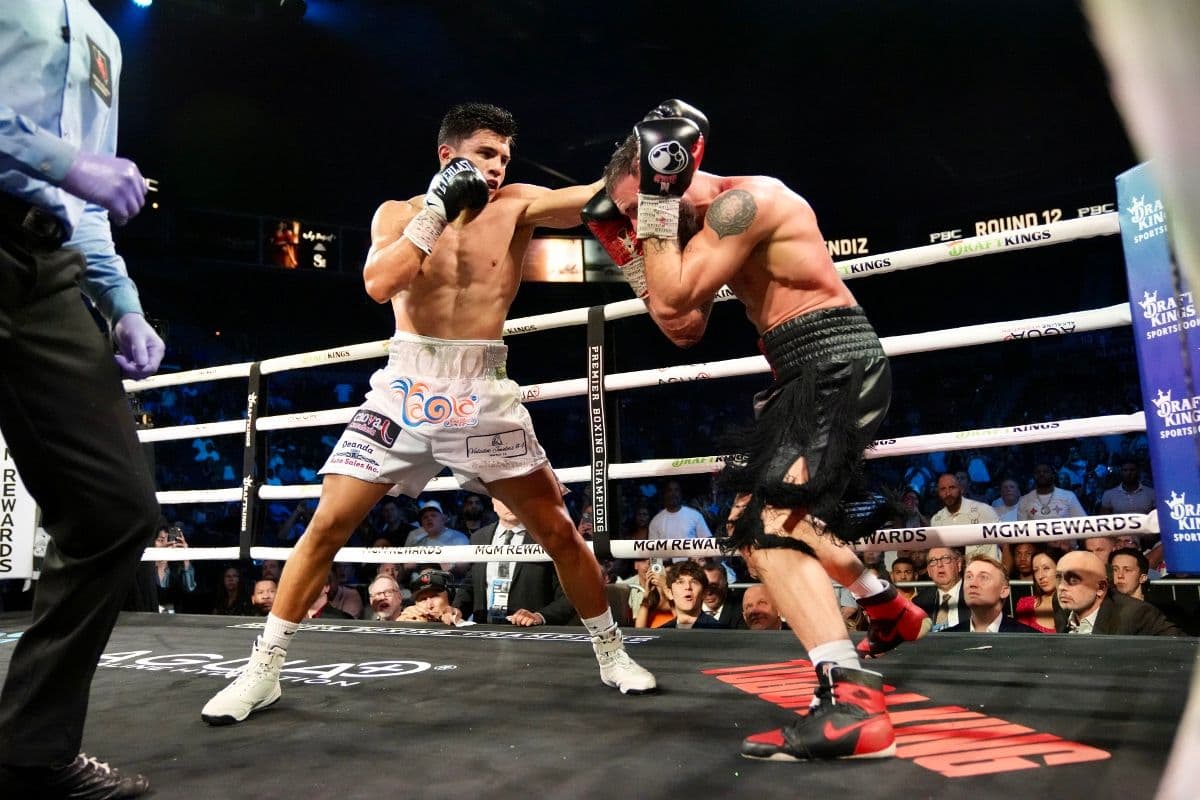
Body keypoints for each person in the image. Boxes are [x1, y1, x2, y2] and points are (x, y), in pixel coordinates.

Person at [202, 102, 656, 728]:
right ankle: (263, 670)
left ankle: (611, 652)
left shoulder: (517, 204)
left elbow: (599, 197)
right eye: (487, 154)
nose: (499, 167)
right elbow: (378, 284)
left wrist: (645, 153)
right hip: (405, 387)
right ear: (448, 155)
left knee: (555, 530)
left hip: (482, 387)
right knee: (327, 526)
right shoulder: (400, 213)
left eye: (505, 156)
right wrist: (438, 211)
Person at [600, 105, 929, 761]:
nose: (639, 225)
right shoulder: (698, 229)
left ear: (670, 169)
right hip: (801, 374)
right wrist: (633, 250)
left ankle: (853, 706)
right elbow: (681, 325)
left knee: (770, 524)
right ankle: (884, 606)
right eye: (633, 217)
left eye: (642, 207)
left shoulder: (745, 202)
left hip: (834, 361)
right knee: (755, 527)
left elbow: (672, 301)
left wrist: (656, 217)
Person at [0, 4, 162, 794]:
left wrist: (123, 304)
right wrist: (58, 157)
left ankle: (30, 753)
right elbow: (76, 166)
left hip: (45, 268)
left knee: (115, 509)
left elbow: (88, 199)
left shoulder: (104, 39)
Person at [453, 496, 574, 625]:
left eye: (513, 496)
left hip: (530, 634)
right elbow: (472, 582)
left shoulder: (549, 537)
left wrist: (539, 616)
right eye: (502, 497)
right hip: (486, 632)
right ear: (493, 502)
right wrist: (457, 609)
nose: (509, 503)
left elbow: (570, 594)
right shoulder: (479, 537)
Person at [1053, 551, 1183, 635]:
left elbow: (1185, 648)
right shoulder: (1061, 604)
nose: (1062, 587)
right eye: (1059, 578)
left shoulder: (1135, 613)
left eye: (1073, 580)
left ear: (1100, 588)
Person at [944, 555, 1039, 633]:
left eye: (984, 577)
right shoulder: (945, 638)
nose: (972, 584)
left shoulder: (1029, 638)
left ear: (1004, 591)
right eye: (969, 577)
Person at [1015, 547, 1060, 634]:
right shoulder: (1026, 605)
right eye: (1035, 570)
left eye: (1046, 568)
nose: (1040, 576)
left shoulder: (1074, 603)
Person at [398, 569, 466, 625]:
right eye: (423, 599)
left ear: (449, 598)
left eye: (434, 596)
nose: (429, 605)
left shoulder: (464, 627)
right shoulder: (407, 620)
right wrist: (402, 623)